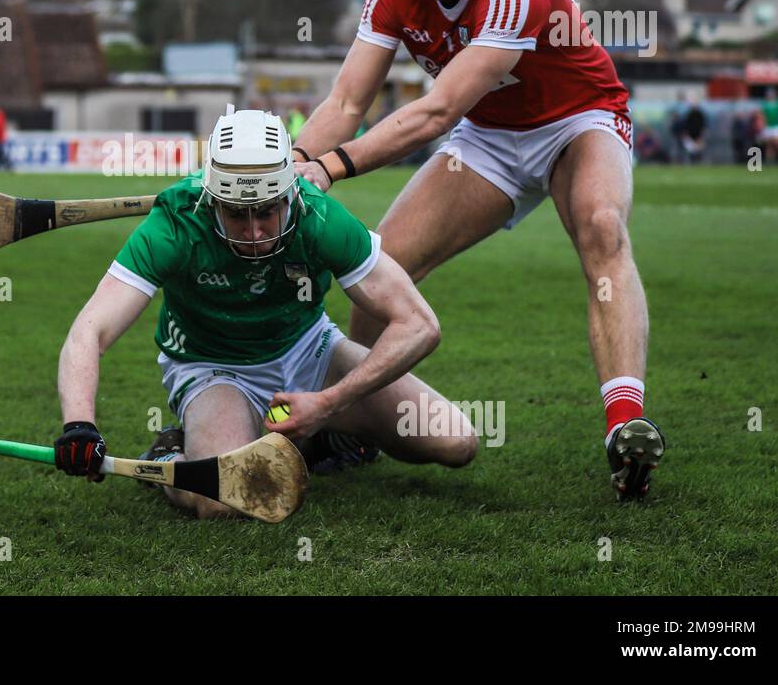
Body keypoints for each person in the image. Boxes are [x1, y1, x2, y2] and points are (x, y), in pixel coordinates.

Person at [292, 0, 664, 500]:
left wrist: (330, 168)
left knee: (603, 228)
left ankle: (625, 424)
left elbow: (437, 111)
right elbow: (348, 100)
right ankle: (350, 419)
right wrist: (292, 158)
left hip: (577, 120)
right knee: (376, 267)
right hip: (488, 135)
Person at [53, 107, 476, 519]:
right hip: (214, 369)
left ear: (289, 194)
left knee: (456, 442)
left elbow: (420, 325)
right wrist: (79, 426)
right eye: (237, 213)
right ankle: (170, 455)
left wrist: (328, 403)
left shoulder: (321, 218)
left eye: (267, 211)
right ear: (213, 198)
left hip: (313, 353)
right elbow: (90, 331)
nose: (254, 231)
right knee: (222, 501)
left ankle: (324, 437)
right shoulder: (175, 226)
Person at [680, 96, 707, 164]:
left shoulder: (700, 114)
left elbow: (703, 125)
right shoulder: (688, 114)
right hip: (690, 134)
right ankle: (692, 161)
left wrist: (702, 134)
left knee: (698, 148)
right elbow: (686, 125)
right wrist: (686, 134)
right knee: (691, 149)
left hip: (698, 134)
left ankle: (698, 161)